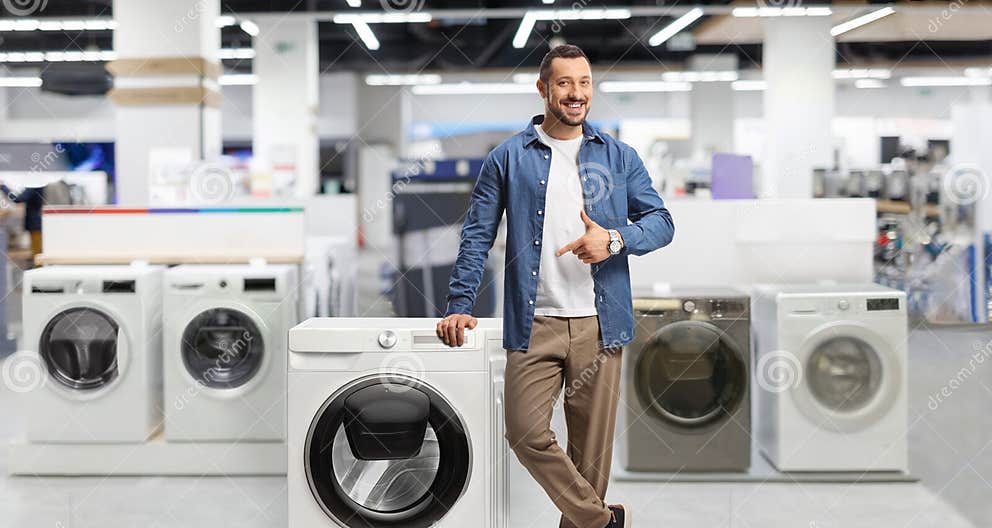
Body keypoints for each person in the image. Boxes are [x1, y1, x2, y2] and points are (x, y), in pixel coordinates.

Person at [436, 44, 674, 528]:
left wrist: (613, 240)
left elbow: (662, 222)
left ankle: (590, 519)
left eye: (584, 83)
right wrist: (460, 303)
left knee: (589, 461)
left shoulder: (618, 156)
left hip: (600, 324)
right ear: (543, 89)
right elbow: (477, 235)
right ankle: (603, 521)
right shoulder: (507, 158)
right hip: (534, 324)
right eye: (565, 83)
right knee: (525, 433)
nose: (576, 93)